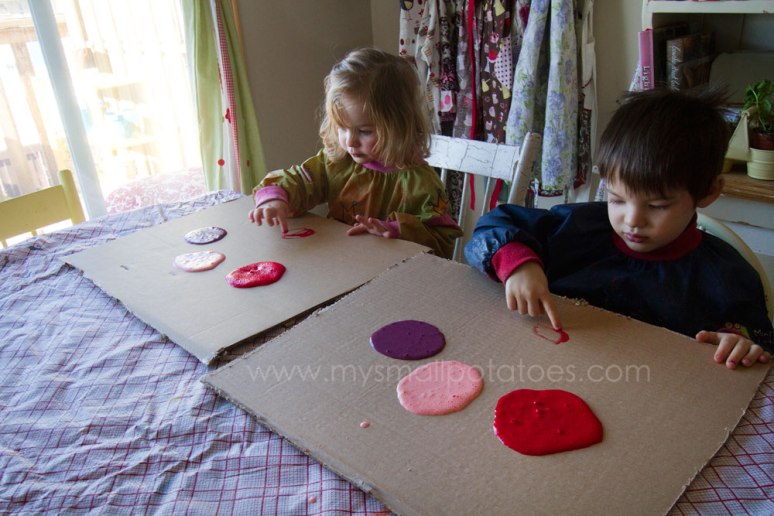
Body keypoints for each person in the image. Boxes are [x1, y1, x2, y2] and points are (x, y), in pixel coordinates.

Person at [464, 88, 772, 369]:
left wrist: (738, 342)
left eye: (657, 206)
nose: (632, 220)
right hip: (546, 367)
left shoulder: (726, 275)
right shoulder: (576, 228)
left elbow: (758, 344)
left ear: (708, 192)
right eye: (617, 199)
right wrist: (518, 263)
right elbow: (494, 225)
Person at [249, 47, 462, 259]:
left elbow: (441, 240)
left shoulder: (420, 183)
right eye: (342, 127)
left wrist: (397, 230)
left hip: (393, 277)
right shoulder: (337, 162)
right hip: (342, 265)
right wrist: (275, 198)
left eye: (364, 131)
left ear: (399, 127)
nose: (350, 141)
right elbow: (301, 181)